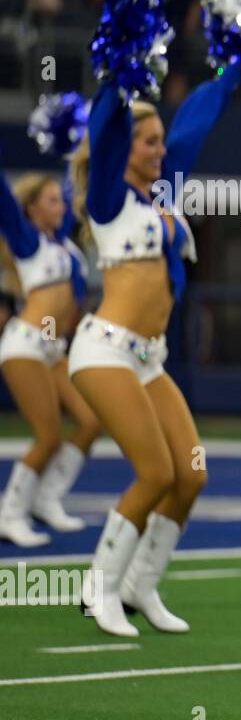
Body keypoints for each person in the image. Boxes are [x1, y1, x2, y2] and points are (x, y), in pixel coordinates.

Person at [68, 61, 241, 636]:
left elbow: (193, 126)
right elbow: (105, 128)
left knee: (191, 475)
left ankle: (141, 582)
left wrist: (230, 67)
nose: (161, 151)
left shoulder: (163, 196)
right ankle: (99, 587)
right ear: (126, 148)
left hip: (148, 358)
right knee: (155, 472)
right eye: (149, 142)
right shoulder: (110, 198)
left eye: (160, 142)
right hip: (104, 352)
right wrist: (118, 72)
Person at [0, 171, 99, 545]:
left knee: (90, 422)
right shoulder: (27, 241)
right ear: (32, 208)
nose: (61, 206)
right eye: (52, 200)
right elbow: (4, 200)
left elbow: (79, 179)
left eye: (61, 199)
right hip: (25, 344)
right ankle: (9, 515)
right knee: (49, 437)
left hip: (54, 350)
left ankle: (46, 498)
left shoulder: (67, 248)